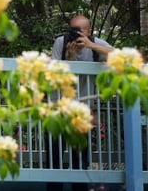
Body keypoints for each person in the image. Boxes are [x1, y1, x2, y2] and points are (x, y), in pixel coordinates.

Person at [46, 15, 113, 191]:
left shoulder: (96, 45)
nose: (75, 33)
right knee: (54, 155)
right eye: (72, 29)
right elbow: (56, 73)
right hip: (57, 107)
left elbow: (119, 55)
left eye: (79, 30)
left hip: (82, 110)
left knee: (80, 156)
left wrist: (90, 45)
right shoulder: (61, 42)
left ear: (88, 31)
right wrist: (71, 56)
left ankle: (80, 188)